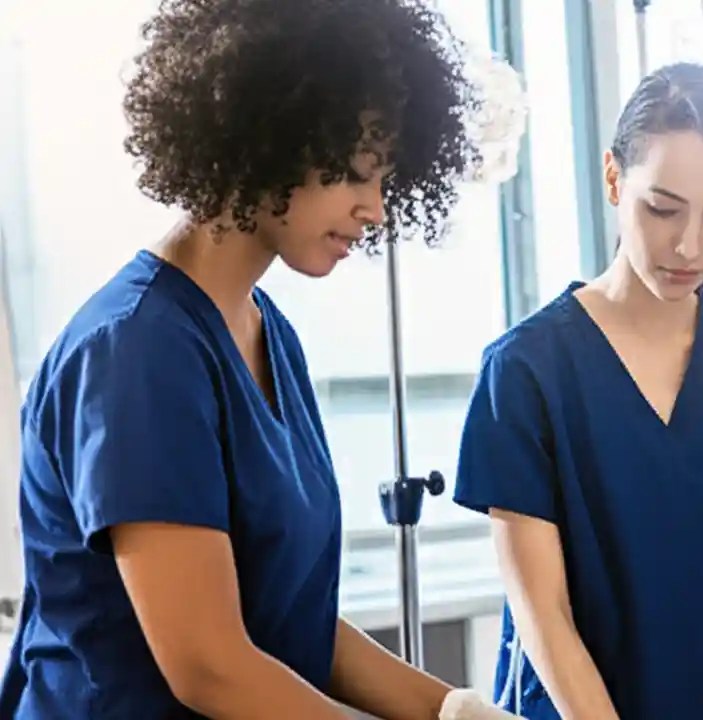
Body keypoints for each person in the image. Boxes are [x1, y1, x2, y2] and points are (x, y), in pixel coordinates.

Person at [0, 0, 499, 717]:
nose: (376, 208)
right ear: (269, 139)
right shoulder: (136, 352)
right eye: (357, 173)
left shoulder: (269, 334)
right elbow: (210, 666)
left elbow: (291, 624)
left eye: (385, 179)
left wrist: (454, 709)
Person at [453, 62, 703, 719]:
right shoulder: (526, 372)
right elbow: (544, 614)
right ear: (612, 179)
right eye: (662, 209)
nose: (690, 245)